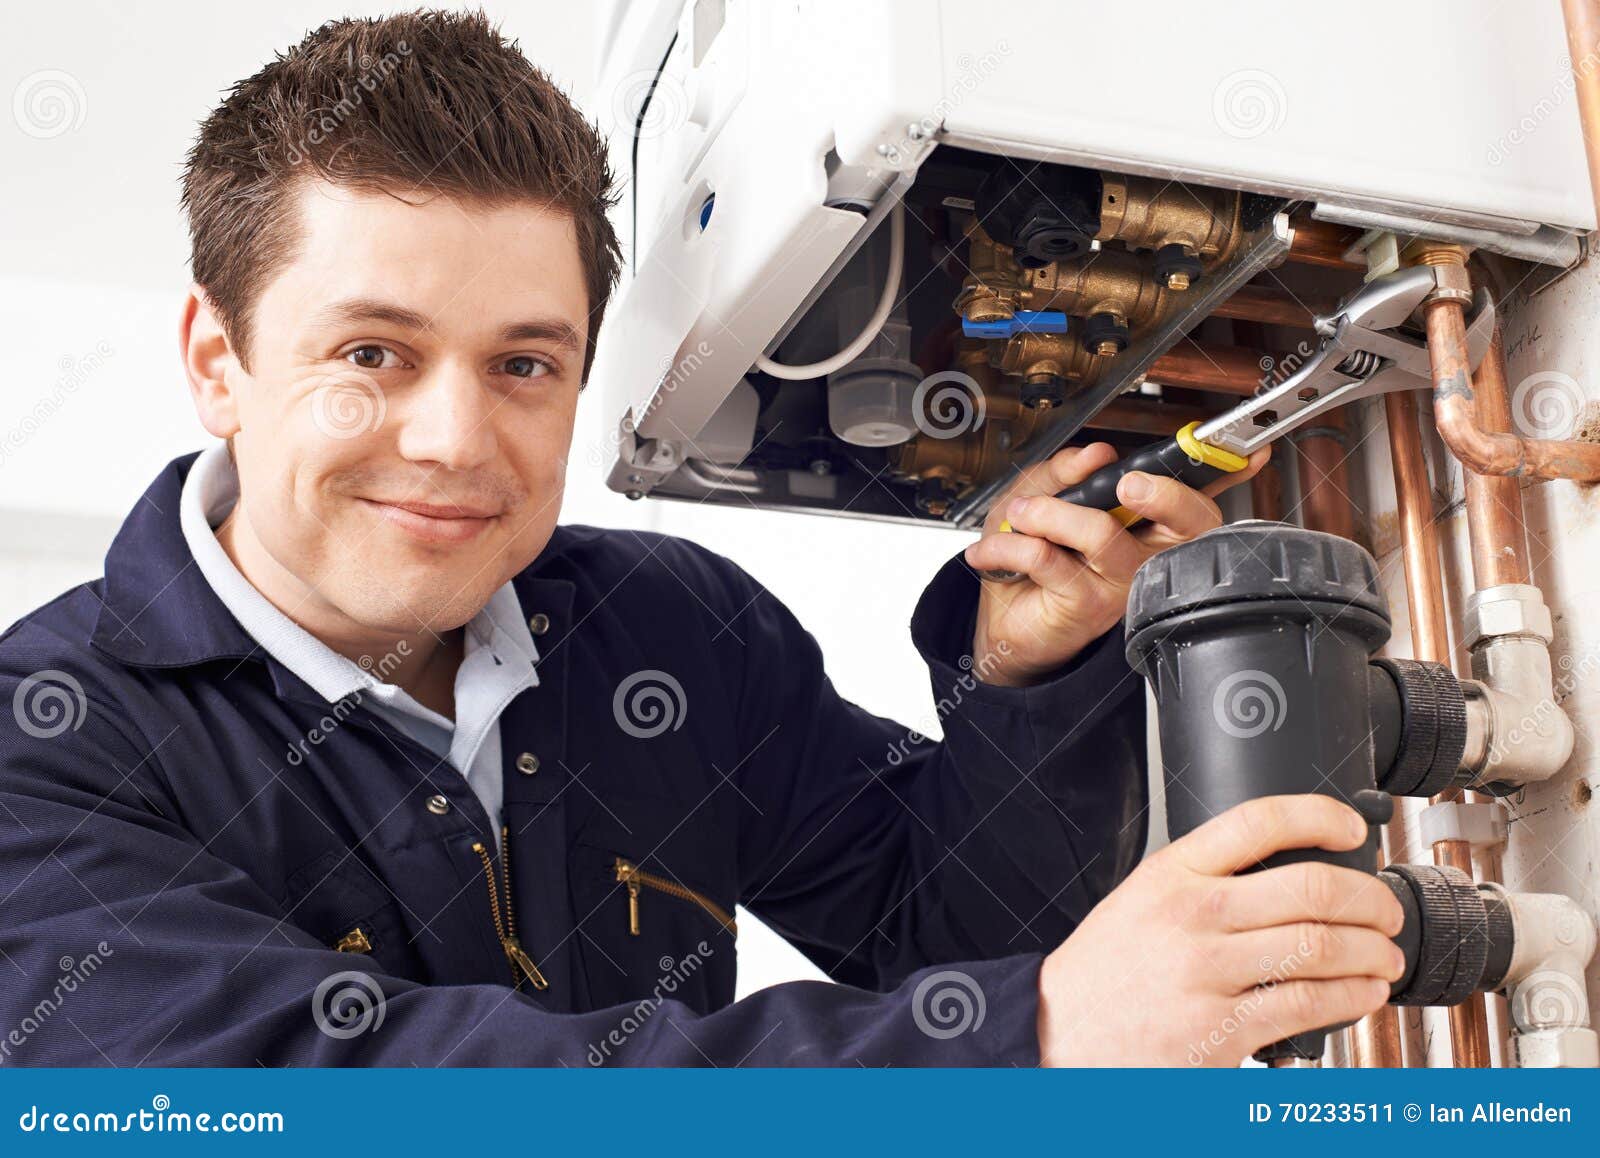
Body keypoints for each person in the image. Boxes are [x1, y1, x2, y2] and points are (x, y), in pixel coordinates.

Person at [0, 10, 1403, 1067]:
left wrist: (1022, 682)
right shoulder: (45, 749)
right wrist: (1026, 1034)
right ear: (217, 358)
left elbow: (941, 932)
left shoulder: (671, 629)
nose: (453, 439)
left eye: (524, 365)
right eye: (373, 350)